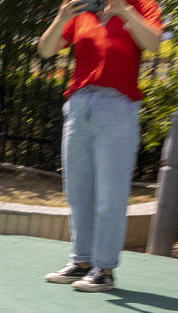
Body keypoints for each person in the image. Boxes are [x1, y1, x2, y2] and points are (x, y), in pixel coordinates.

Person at [39, 0, 162, 292]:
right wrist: (60, 18)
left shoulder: (143, 5)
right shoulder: (83, 10)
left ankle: (104, 270)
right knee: (78, 191)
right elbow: (45, 50)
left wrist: (125, 12)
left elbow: (154, 44)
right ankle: (80, 262)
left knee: (111, 195)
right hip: (80, 106)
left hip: (117, 108)